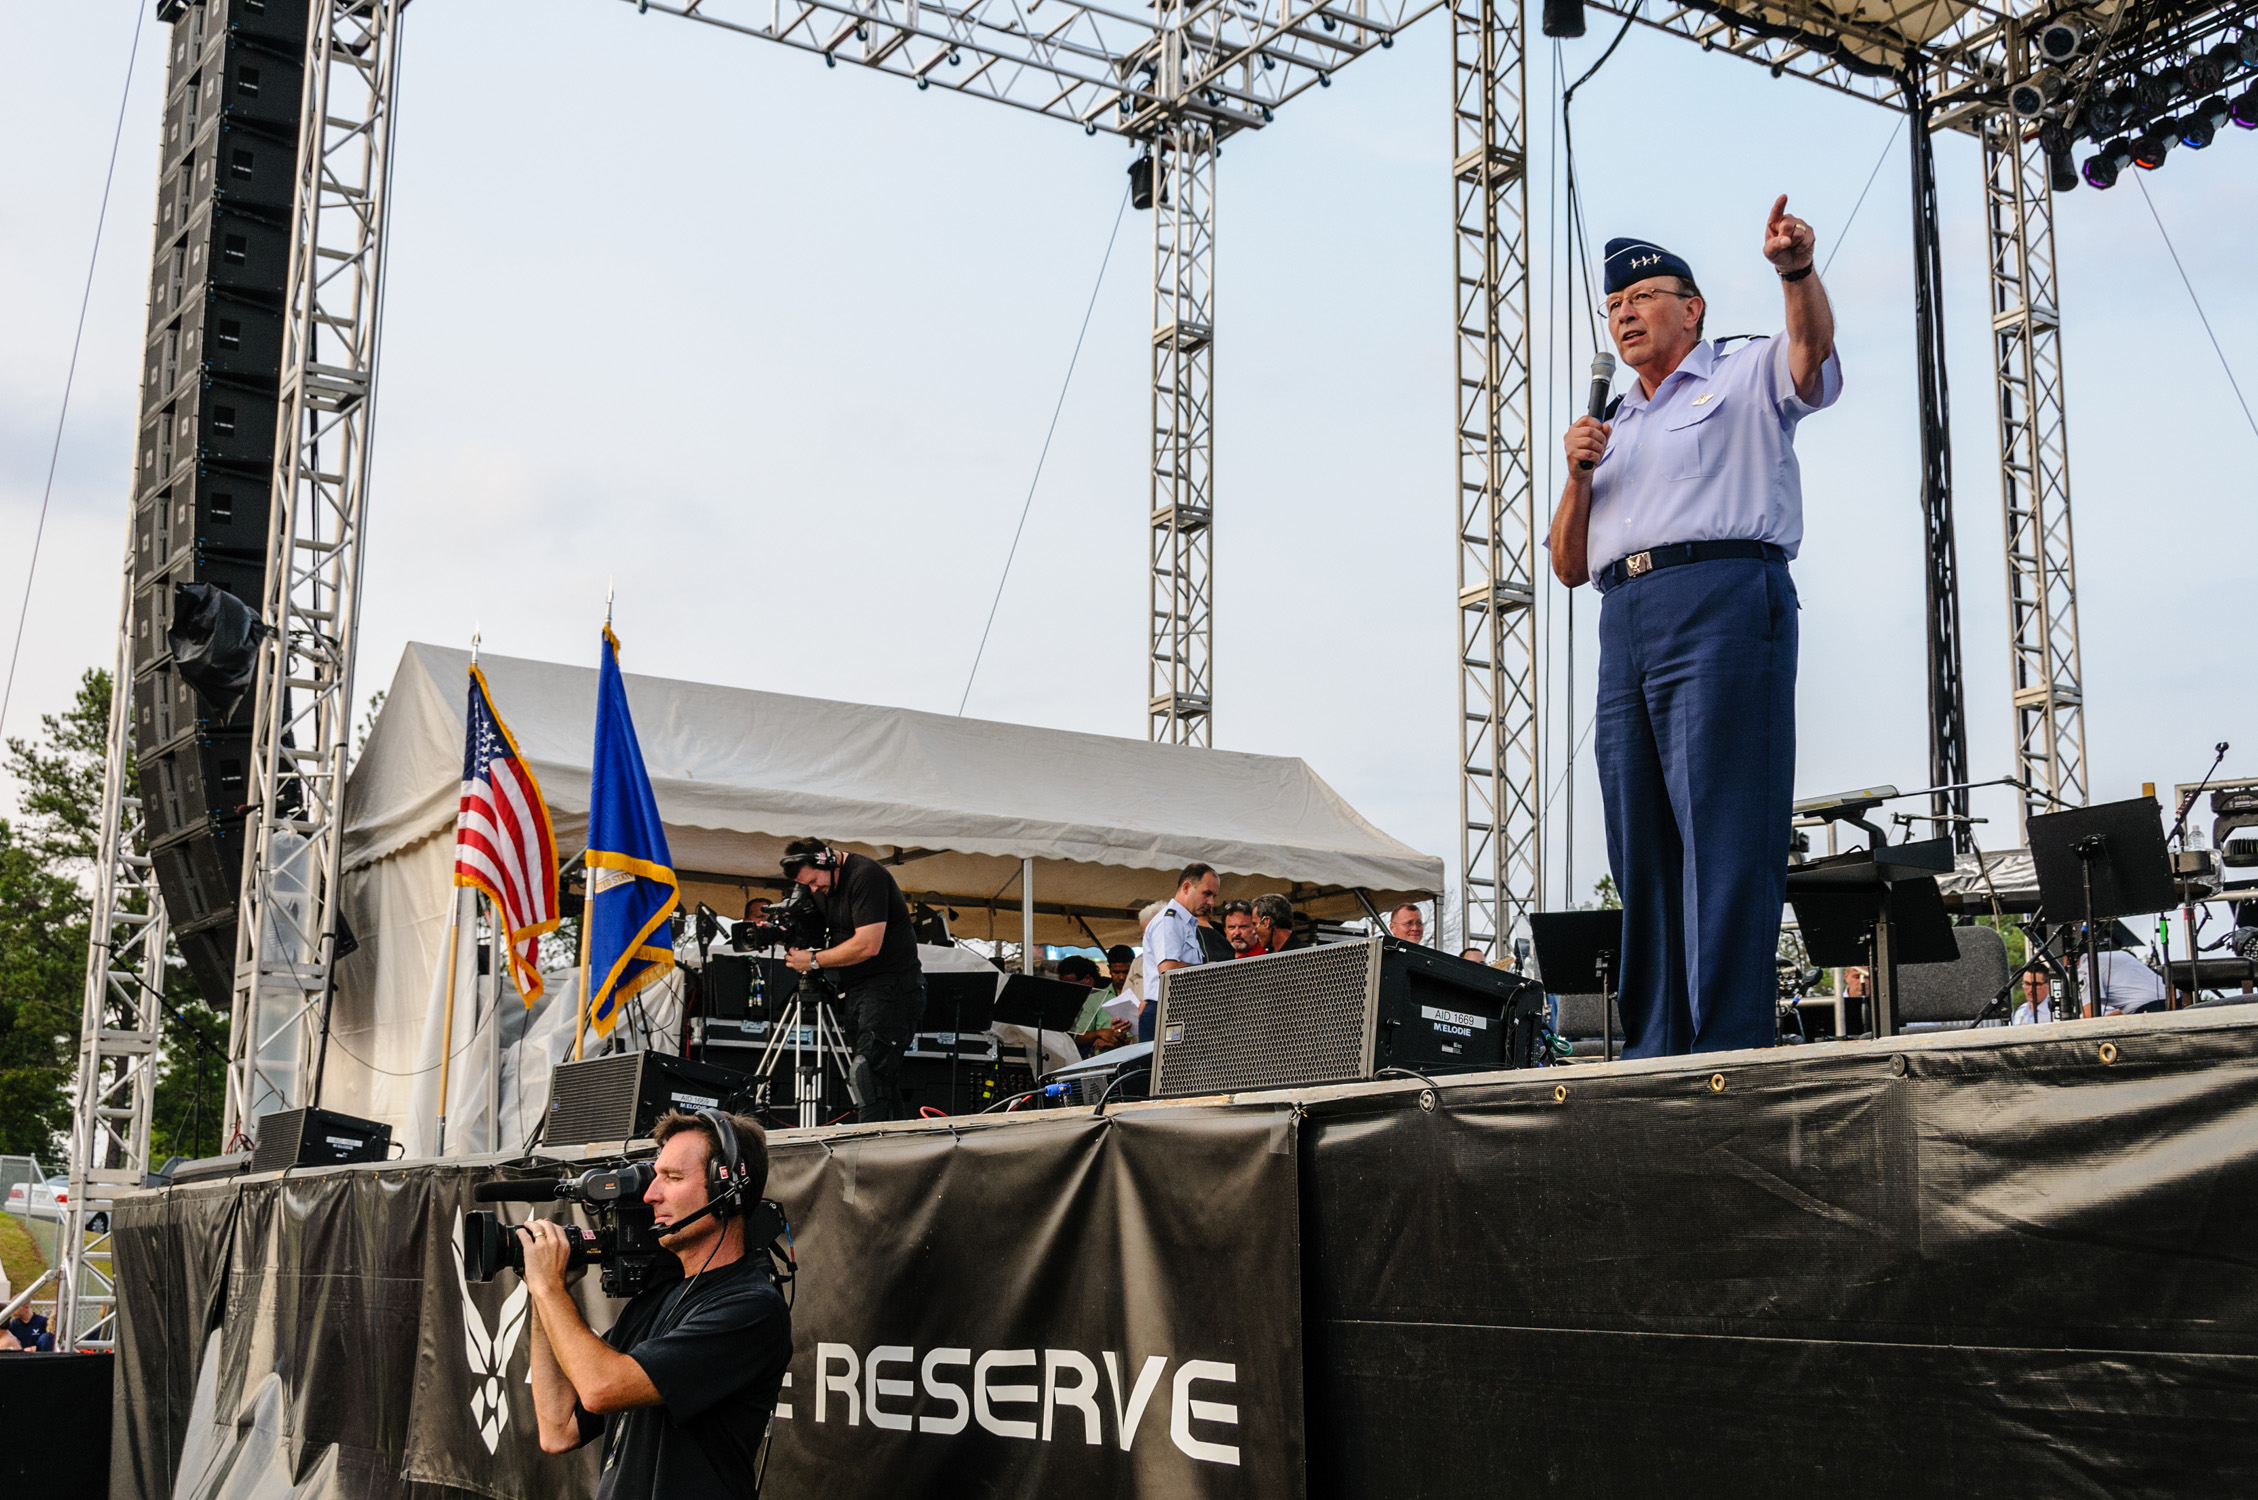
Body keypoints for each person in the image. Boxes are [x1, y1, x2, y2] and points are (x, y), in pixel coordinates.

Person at [1546, 199, 1841, 1057]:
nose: (1626, 314)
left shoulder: (1740, 372)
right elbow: (1567, 564)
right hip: (1624, 616)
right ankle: (1656, 1048)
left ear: (1693, 307)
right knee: (1641, 844)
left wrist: (1795, 273)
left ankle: (1727, 1048)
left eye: (1642, 296)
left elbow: (1812, 356)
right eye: (1613, 307)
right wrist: (1577, 476)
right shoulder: (1610, 426)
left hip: (1722, 594)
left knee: (1724, 834)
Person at [523, 1108, 790, 1500]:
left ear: (725, 1190)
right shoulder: (658, 1299)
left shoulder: (750, 1308)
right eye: (655, 1177)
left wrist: (550, 1290)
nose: (651, 1195)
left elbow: (601, 1388)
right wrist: (540, 1294)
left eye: (673, 1178)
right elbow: (557, 1429)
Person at [779, 838, 923, 1123]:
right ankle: (896, 1153)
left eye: (816, 882)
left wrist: (813, 960)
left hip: (891, 987)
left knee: (868, 1074)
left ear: (828, 861)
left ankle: (869, 1151)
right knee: (881, 1084)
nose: (815, 889)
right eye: (807, 885)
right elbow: (809, 925)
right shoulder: (817, 885)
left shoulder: (866, 875)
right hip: (857, 990)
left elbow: (868, 945)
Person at [1141, 864, 1220, 1041]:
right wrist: (1206, 969)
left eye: (1213, 896)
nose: (1211, 902)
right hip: (1166, 1011)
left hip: (1177, 1011)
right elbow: (1168, 970)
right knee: (1165, 1068)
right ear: (1186, 887)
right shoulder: (1169, 921)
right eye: (1206, 893)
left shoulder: (1184, 923)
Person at [1057, 954, 1133, 1051]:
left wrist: (1117, 1041)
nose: (1121, 977)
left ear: (1088, 978)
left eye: (1071, 984)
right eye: (1116, 972)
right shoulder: (1092, 998)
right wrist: (1100, 1033)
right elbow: (1078, 1037)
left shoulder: (1101, 994)